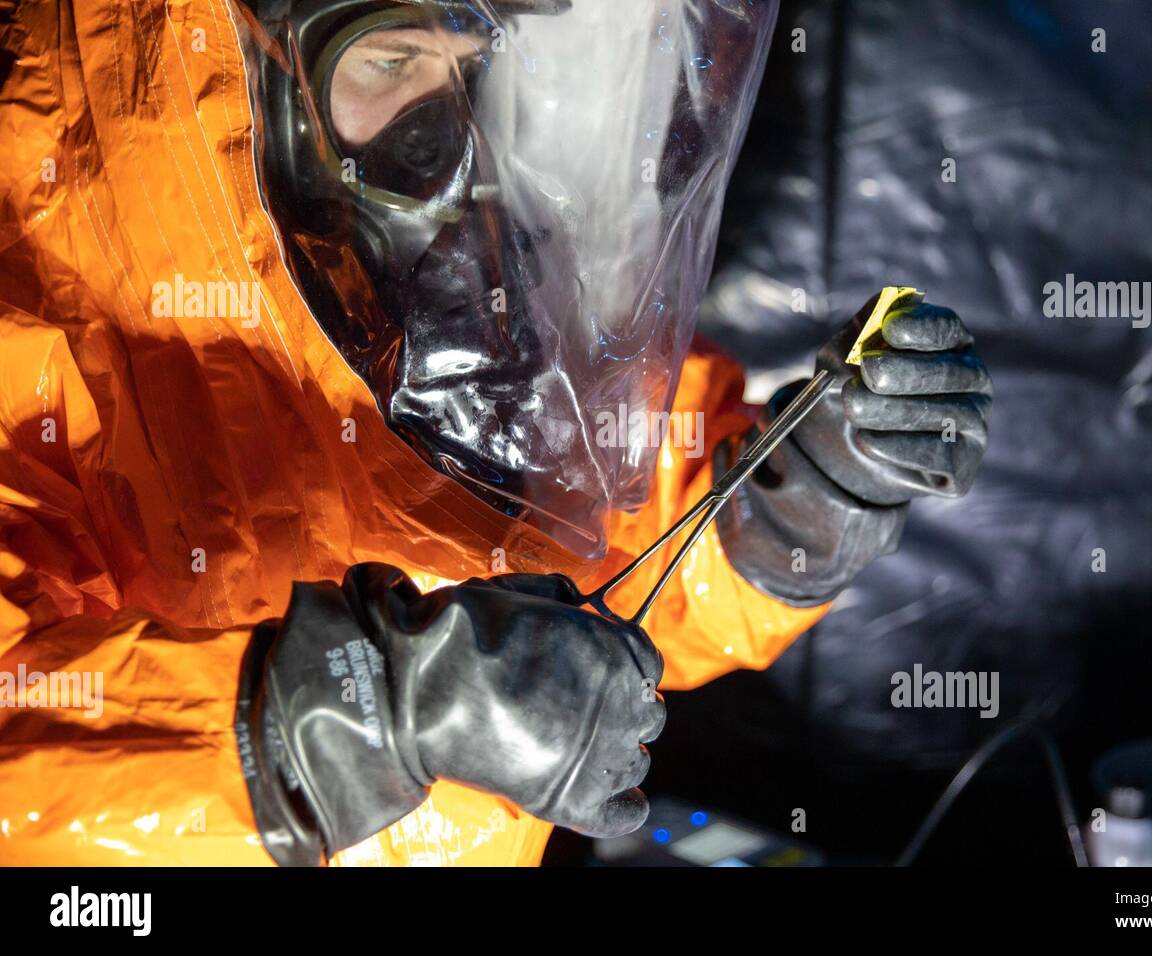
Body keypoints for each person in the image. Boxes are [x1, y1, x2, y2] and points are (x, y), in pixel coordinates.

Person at [0, 0, 989, 865]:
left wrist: (783, 506)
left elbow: (588, 559)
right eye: (392, 58)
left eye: (477, 62)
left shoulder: (456, 278)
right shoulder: (37, 327)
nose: (453, 130)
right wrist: (337, 720)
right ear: (245, 61)